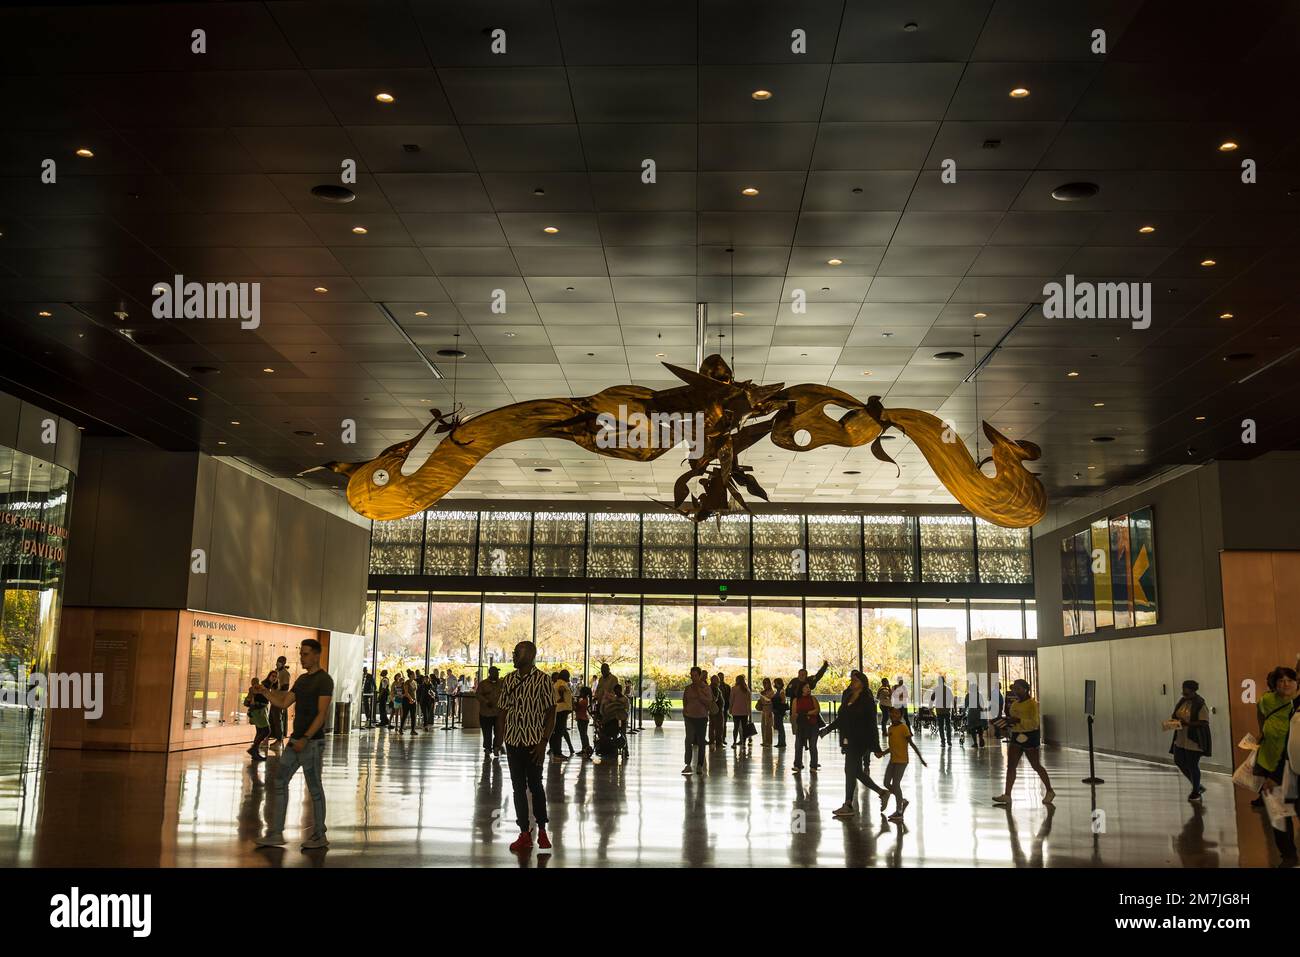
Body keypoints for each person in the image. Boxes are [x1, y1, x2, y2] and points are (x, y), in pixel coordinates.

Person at [254, 638, 333, 850]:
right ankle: (275, 833)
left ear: (316, 655)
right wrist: (266, 693)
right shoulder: (301, 680)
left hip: (312, 743)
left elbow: (321, 714)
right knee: (279, 782)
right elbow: (284, 702)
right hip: (296, 740)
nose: (302, 657)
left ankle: (319, 835)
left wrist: (306, 738)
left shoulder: (325, 680)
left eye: (306, 654)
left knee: (314, 788)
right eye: (301, 653)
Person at [496, 641, 556, 853]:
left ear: (529, 655)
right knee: (518, 788)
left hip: (533, 743)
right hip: (513, 742)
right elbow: (502, 711)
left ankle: (541, 829)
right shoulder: (509, 680)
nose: (513, 655)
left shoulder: (543, 680)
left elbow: (551, 713)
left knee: (536, 786)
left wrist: (543, 742)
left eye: (516, 652)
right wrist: (500, 739)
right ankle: (524, 832)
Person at [821, 670, 886, 817]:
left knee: (850, 770)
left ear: (862, 683)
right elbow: (842, 718)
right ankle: (882, 792)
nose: (852, 682)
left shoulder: (867, 700)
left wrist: (875, 747)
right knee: (854, 771)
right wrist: (827, 729)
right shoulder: (848, 696)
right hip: (849, 739)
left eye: (855, 680)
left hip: (860, 740)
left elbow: (871, 724)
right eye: (852, 679)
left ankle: (848, 804)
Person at [1255, 666, 1298, 865]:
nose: (1286, 684)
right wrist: (1262, 733)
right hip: (1270, 763)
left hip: (1292, 767)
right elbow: (1261, 716)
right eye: (1281, 681)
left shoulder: (1296, 705)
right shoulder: (1267, 701)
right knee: (1279, 815)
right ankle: (1288, 856)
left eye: (1290, 680)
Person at [993, 679, 1055, 805]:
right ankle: (1007, 795)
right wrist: (1004, 724)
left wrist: (1018, 720)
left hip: (1030, 736)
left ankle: (1049, 790)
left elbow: (1034, 723)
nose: (1015, 691)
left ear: (1025, 689)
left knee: (1035, 765)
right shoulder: (1015, 704)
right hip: (1016, 736)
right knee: (1011, 766)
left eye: (1018, 689)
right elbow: (1012, 721)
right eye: (1014, 689)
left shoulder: (1032, 704)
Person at [881, 706, 927, 821]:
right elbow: (892, 747)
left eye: (897, 714)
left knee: (896, 784)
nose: (894, 715)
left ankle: (899, 811)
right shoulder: (890, 728)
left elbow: (911, 744)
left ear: (901, 716)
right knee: (886, 783)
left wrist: (921, 758)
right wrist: (882, 753)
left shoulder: (903, 728)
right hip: (892, 760)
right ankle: (902, 801)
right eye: (892, 713)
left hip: (902, 761)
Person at [1169, 679, 1212, 802]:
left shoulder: (1200, 704)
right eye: (1183, 692)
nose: (1184, 695)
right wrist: (1174, 722)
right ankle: (1197, 785)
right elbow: (1175, 714)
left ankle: (1195, 791)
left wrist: (1188, 723)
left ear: (1193, 691)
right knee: (1179, 760)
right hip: (1181, 737)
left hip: (1193, 738)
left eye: (1187, 693)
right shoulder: (1183, 701)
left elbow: (1204, 722)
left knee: (1193, 765)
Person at [682, 667, 711, 774]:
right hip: (689, 717)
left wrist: (699, 693)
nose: (693, 678)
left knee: (701, 741)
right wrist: (685, 711)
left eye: (695, 675)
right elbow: (685, 700)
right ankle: (688, 764)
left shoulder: (706, 688)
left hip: (701, 718)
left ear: (699, 676)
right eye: (692, 675)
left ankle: (699, 765)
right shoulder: (688, 688)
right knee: (688, 740)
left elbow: (708, 702)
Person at [791, 682, 821, 773]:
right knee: (798, 745)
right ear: (801, 689)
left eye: (809, 687)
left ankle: (813, 766)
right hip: (801, 726)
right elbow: (794, 714)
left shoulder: (813, 699)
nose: (809, 689)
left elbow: (817, 710)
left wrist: (805, 713)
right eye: (806, 687)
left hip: (813, 725)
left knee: (812, 746)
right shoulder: (796, 700)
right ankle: (797, 765)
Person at [477, 666, 502, 756]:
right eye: (495, 672)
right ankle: (487, 748)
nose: (497, 674)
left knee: (499, 731)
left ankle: (496, 747)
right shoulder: (483, 684)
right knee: (487, 732)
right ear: (490, 673)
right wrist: (486, 701)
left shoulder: (501, 683)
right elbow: (478, 695)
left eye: (497, 672)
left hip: (498, 713)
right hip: (485, 713)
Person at [245, 676, 270, 761]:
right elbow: (248, 701)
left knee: (259, 731)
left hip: (258, 712)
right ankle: (253, 749)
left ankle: (255, 752)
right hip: (258, 712)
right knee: (266, 730)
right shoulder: (256, 689)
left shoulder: (255, 689)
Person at [550, 669, 574, 759]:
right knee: (559, 732)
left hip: (559, 709)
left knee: (558, 732)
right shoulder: (562, 683)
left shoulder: (557, 683)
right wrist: (562, 698)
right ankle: (557, 753)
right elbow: (561, 689)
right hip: (562, 709)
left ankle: (556, 751)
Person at [267, 656, 290, 745]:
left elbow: (285, 687)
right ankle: (272, 738)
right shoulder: (276, 672)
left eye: (279, 662)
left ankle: (279, 740)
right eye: (277, 661)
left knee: (278, 719)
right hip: (274, 699)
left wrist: (276, 685)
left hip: (280, 700)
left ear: (283, 663)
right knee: (272, 719)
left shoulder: (285, 673)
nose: (277, 663)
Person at [730, 675, 752, 751]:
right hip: (744, 711)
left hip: (736, 711)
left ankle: (734, 742)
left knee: (735, 728)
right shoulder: (747, 690)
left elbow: (731, 700)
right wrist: (749, 711)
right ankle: (743, 743)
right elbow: (749, 702)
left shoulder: (734, 689)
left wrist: (730, 709)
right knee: (744, 728)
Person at [932, 675, 953, 747]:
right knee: (948, 726)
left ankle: (943, 742)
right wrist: (954, 709)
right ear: (944, 681)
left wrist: (930, 708)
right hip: (947, 710)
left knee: (941, 726)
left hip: (939, 711)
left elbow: (932, 699)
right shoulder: (948, 689)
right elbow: (952, 700)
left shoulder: (936, 689)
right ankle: (949, 741)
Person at [964, 682, 986, 749]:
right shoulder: (979, 695)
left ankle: (975, 743)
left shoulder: (968, 695)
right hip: (979, 712)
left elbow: (966, 705)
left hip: (972, 713)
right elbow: (982, 704)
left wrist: (964, 712)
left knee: (972, 728)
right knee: (980, 727)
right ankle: (981, 737)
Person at [574, 685, 593, 758]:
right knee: (583, 735)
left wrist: (574, 702)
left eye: (581, 692)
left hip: (582, 719)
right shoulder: (585, 700)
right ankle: (584, 748)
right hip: (582, 719)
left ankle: (586, 748)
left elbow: (576, 708)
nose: (580, 693)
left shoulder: (583, 701)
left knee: (583, 735)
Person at [757, 678, 775, 747]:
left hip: (769, 709)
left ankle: (769, 741)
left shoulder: (771, 692)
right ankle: (764, 740)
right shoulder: (763, 692)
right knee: (763, 726)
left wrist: (763, 697)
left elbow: (769, 700)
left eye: (766, 683)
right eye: (763, 683)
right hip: (763, 709)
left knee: (768, 726)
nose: (764, 685)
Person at [402, 670, 419, 736]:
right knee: (405, 715)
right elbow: (406, 692)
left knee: (413, 715)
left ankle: (413, 730)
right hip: (406, 700)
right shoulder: (406, 682)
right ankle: (401, 728)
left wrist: (414, 700)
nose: (415, 675)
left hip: (413, 700)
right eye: (414, 674)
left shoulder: (415, 682)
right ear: (411, 675)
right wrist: (410, 699)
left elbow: (415, 692)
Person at [772, 678, 787, 748]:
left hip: (779, 711)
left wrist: (776, 705)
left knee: (780, 727)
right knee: (780, 727)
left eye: (775, 683)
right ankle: (780, 742)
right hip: (777, 711)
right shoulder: (779, 691)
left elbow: (783, 701)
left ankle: (782, 742)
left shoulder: (781, 691)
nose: (774, 685)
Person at [718, 672, 732, 745]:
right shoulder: (715, 687)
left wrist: (729, 708)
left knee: (724, 724)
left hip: (725, 707)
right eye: (720, 677)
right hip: (717, 708)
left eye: (722, 677)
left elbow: (729, 698)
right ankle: (717, 738)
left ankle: (723, 738)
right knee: (716, 724)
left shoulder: (727, 687)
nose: (721, 678)